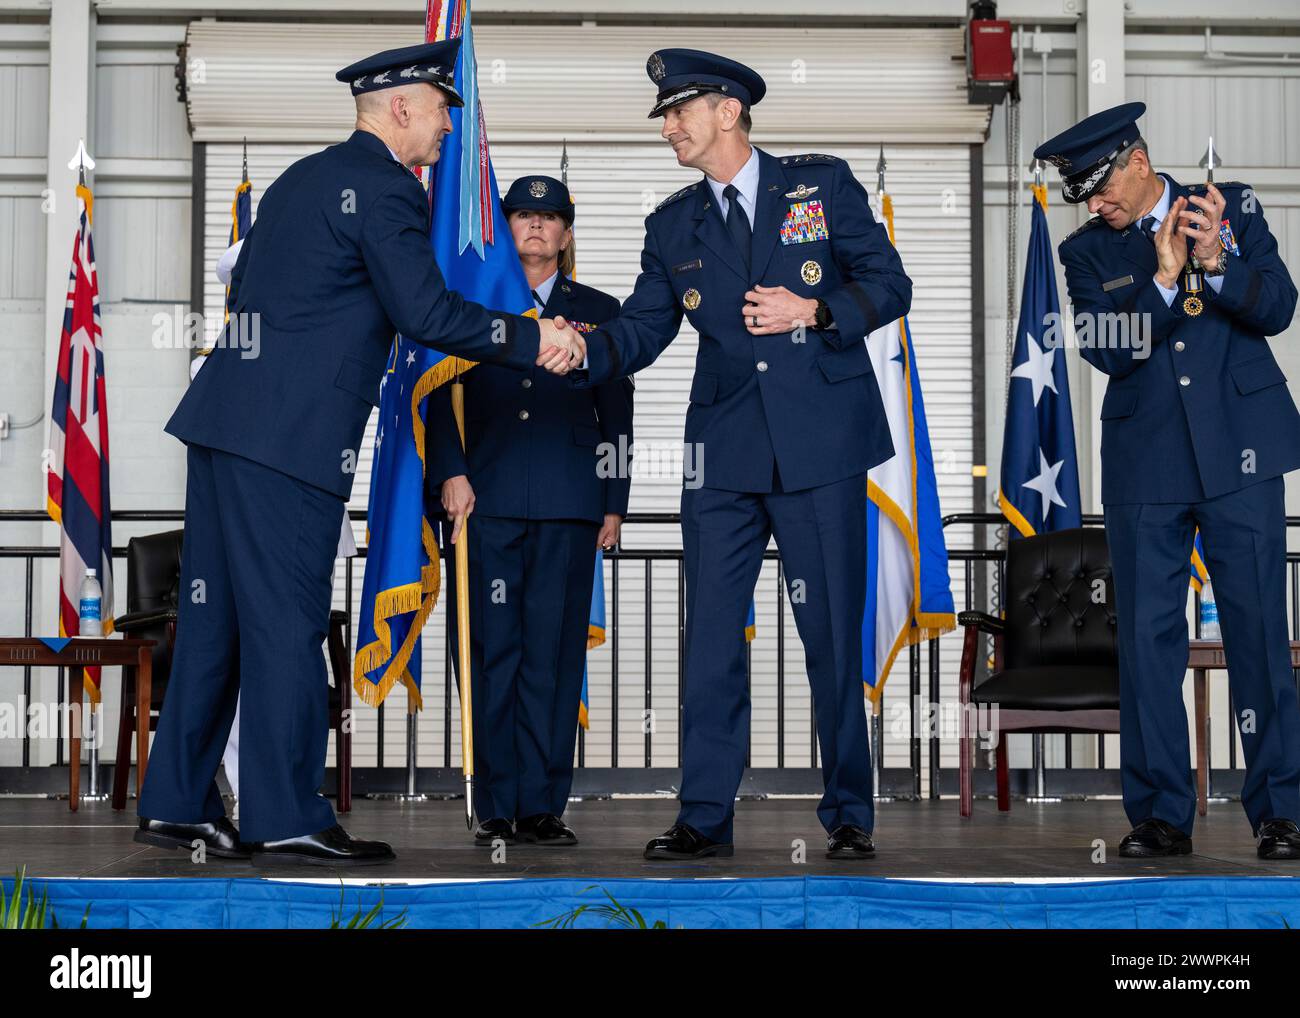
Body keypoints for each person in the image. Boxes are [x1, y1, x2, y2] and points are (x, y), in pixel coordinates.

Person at [136, 39, 586, 867]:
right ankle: (281, 813)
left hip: (226, 427)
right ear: (404, 107)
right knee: (285, 625)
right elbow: (427, 314)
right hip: (289, 443)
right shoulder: (385, 191)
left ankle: (175, 802)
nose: (451, 126)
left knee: (216, 624)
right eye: (444, 110)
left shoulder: (301, 179)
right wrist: (532, 336)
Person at [570, 49, 912, 860]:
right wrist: (579, 352)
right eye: (663, 113)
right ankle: (704, 815)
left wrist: (818, 307)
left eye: (678, 109)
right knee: (713, 637)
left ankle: (851, 811)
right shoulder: (671, 225)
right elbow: (646, 330)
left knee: (829, 632)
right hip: (721, 456)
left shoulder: (820, 187)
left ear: (727, 111)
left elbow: (890, 282)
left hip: (821, 446)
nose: (667, 126)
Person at [1040, 102, 1300, 860]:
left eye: (1100, 186)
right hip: (1145, 464)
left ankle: (1281, 810)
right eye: (1083, 194)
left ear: (1140, 162)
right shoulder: (1086, 253)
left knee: (1257, 637)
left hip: (1241, 457)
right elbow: (1105, 347)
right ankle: (1160, 815)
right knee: (1149, 646)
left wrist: (1216, 259)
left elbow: (1279, 308)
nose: (1094, 204)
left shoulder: (1232, 208)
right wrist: (1159, 277)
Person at [426, 174, 633, 847]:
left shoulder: (601, 310)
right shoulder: (468, 303)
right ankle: (494, 801)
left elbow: (616, 416)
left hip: (571, 503)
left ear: (568, 235)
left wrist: (613, 502)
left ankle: (542, 804)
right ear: (501, 229)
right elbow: (436, 390)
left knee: (553, 654)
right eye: (521, 215)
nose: (536, 227)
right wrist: (450, 471)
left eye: (550, 217)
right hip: (482, 499)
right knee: (490, 651)